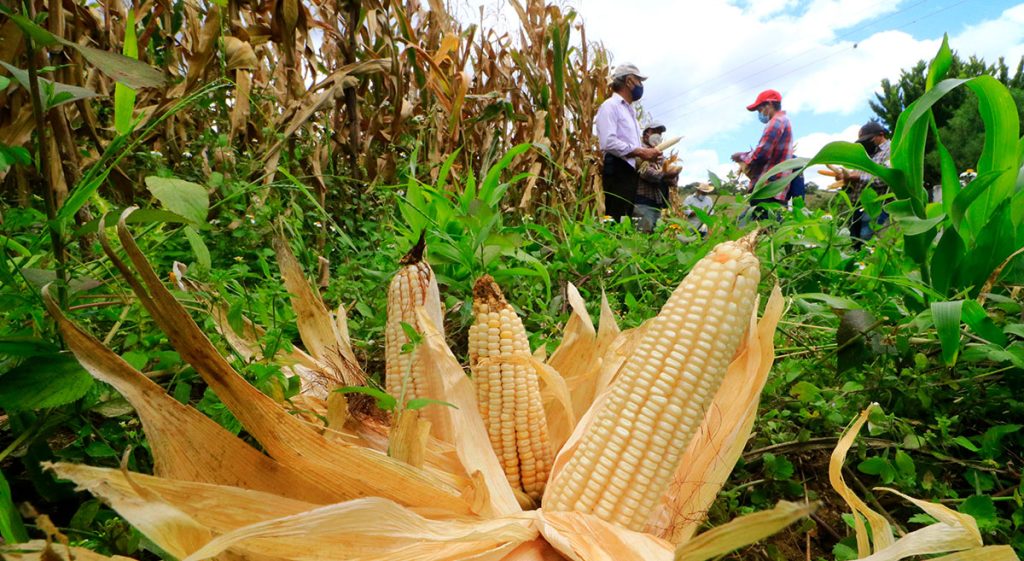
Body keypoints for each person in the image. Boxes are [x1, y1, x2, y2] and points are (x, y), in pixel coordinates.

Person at [595, 63, 661, 221]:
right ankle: (610, 245)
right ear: (630, 81)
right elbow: (608, 142)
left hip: (629, 170)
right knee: (615, 219)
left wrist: (646, 156)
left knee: (624, 220)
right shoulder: (610, 106)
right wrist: (641, 152)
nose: (640, 86)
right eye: (639, 81)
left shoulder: (629, 111)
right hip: (617, 167)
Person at [730, 89, 795, 217]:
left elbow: (761, 155)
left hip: (767, 190)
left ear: (769, 105)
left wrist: (741, 156)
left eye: (760, 110)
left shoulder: (776, 122)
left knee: (756, 227)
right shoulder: (784, 121)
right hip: (776, 190)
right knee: (771, 230)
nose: (760, 114)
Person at [841, 120, 891, 246]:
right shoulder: (866, 155)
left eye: (869, 139)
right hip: (857, 209)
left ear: (881, 134)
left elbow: (887, 177)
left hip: (876, 207)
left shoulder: (891, 150)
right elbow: (855, 177)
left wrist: (857, 178)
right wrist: (846, 180)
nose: (865, 144)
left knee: (868, 245)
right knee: (855, 245)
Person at [633, 122, 679, 232]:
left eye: (660, 133)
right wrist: (665, 175)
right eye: (654, 132)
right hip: (642, 202)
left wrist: (672, 177)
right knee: (642, 237)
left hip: (657, 203)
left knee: (654, 238)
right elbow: (645, 172)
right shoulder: (639, 150)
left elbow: (673, 177)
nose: (657, 135)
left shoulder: (659, 154)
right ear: (645, 134)